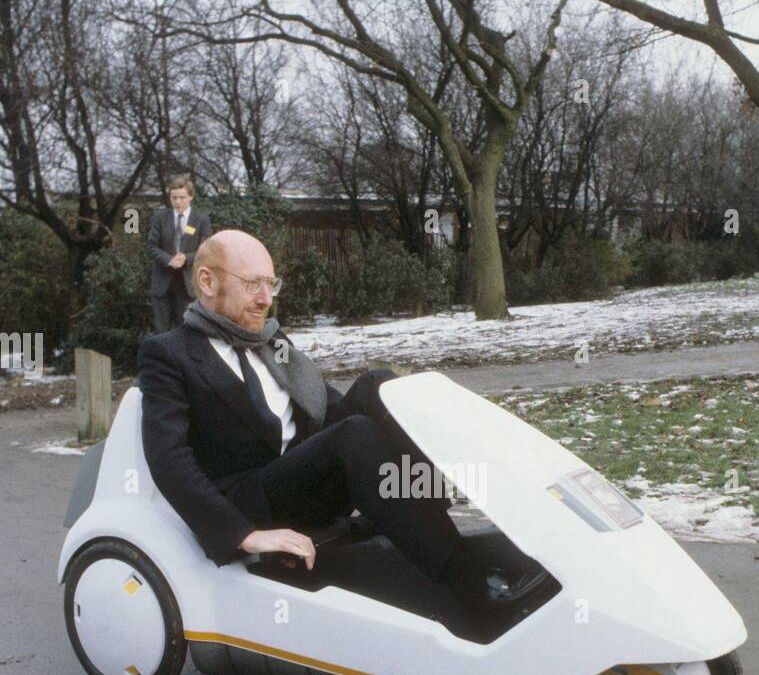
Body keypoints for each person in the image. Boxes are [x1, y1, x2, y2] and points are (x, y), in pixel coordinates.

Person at [137, 229, 552, 631]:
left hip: (300, 473)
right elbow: (168, 459)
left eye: (271, 284)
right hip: (253, 498)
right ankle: (471, 586)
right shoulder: (169, 354)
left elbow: (318, 402)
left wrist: (383, 418)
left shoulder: (269, 339)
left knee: (381, 386)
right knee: (353, 435)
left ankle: (450, 518)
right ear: (206, 281)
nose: (266, 299)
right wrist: (243, 535)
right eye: (251, 285)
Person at [147, 174, 212, 331]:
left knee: (186, 332)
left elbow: (206, 251)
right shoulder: (159, 217)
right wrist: (169, 260)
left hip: (188, 287)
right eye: (174, 197)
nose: (177, 202)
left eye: (182, 197)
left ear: (191, 197)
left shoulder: (201, 220)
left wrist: (186, 259)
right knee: (161, 334)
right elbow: (151, 247)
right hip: (162, 286)